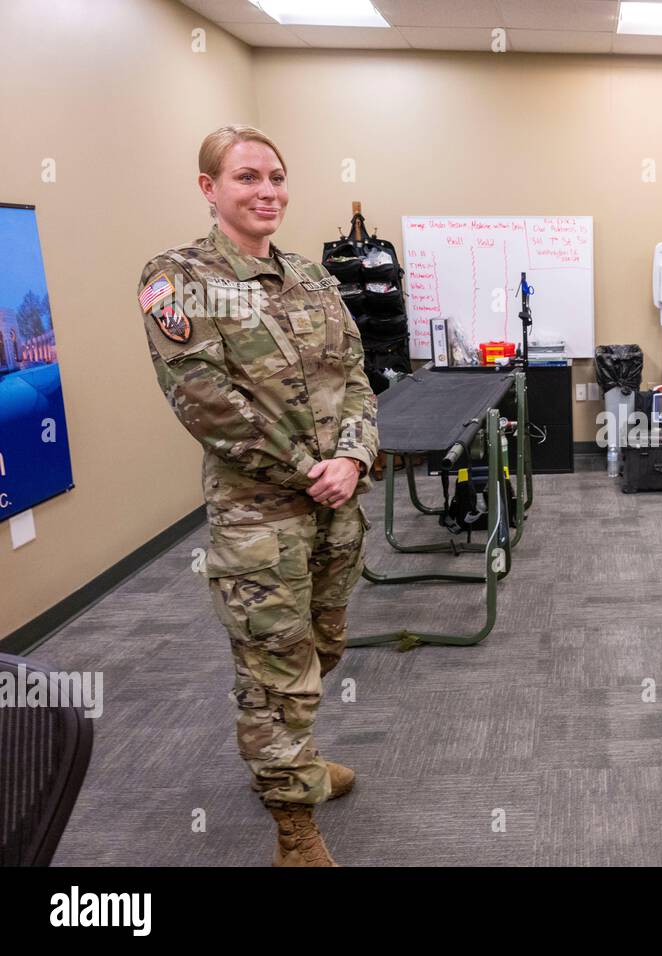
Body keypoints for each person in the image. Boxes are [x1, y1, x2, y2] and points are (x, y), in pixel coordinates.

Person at [136, 125, 378, 866]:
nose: (266, 190)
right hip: (258, 520)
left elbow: (360, 382)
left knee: (322, 649)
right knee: (274, 672)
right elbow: (204, 402)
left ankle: (293, 764)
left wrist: (355, 456)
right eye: (246, 177)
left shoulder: (314, 277)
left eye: (275, 176)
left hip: (337, 509)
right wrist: (313, 468)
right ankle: (293, 829)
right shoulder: (176, 279)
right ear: (210, 189)